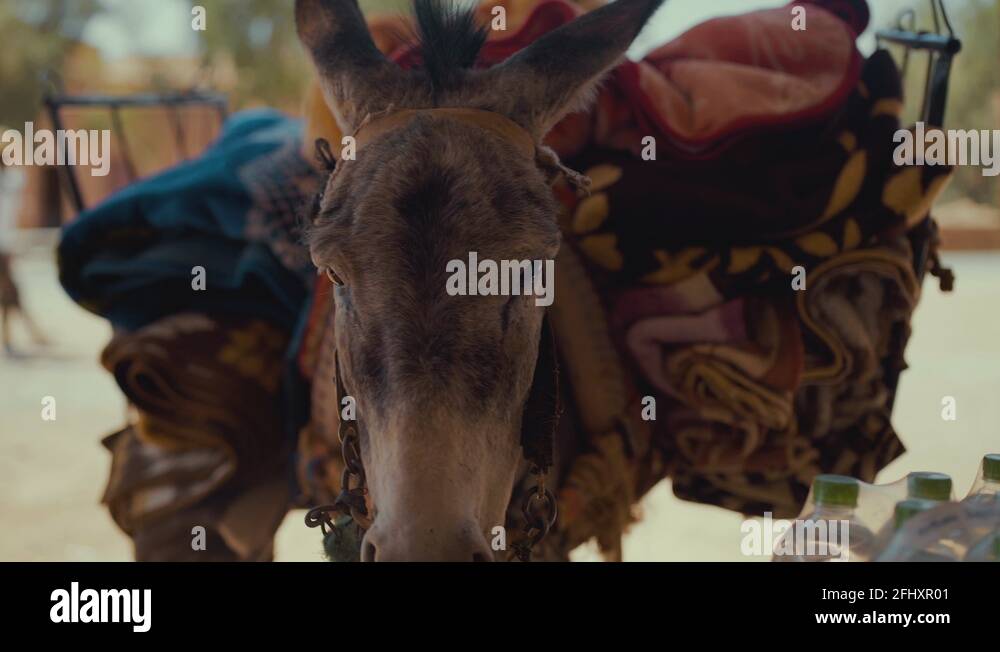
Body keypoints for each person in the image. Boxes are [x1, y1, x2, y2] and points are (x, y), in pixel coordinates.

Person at [0, 150, 49, 356]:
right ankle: (26, 332)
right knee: (9, 289)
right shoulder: (11, 181)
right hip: (3, 245)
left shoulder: (10, 180)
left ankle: (16, 334)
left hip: (5, 243)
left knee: (9, 290)